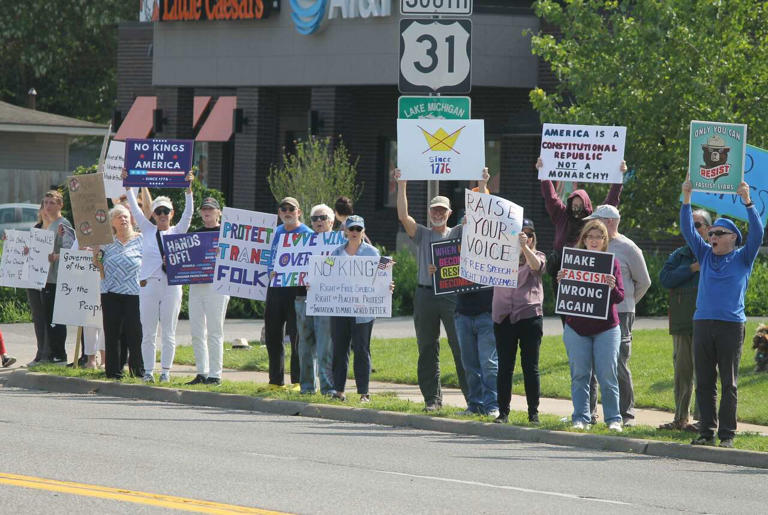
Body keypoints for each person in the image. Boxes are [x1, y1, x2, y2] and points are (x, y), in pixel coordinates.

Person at [537, 156, 627, 423]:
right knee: (580, 366)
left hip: (603, 320)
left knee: (606, 370)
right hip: (571, 299)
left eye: (580, 205)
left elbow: (611, 203)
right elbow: (551, 198)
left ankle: (610, 417)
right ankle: (583, 415)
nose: (576, 208)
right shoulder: (562, 218)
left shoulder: (600, 235)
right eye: (572, 204)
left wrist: (618, 179)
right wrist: (544, 174)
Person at [681, 174, 762, 448]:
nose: (712, 236)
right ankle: (706, 431)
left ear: (733, 238)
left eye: (718, 233)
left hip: (730, 324)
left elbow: (759, 233)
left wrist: (747, 201)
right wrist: (687, 197)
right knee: (704, 381)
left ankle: (727, 435)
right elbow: (688, 230)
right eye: (711, 233)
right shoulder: (704, 254)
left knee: (729, 383)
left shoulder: (742, 256)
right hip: (702, 322)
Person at [395, 168, 468, 411]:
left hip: (451, 296)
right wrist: (402, 184)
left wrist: (482, 181)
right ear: (429, 213)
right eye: (434, 210)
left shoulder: (458, 233)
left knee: (460, 347)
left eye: (442, 210)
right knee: (427, 347)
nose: (438, 213)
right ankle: (432, 400)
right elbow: (404, 216)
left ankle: (473, 400)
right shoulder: (423, 234)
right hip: (425, 294)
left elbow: (481, 214)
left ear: (449, 213)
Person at [584, 205, 651, 426]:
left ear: (610, 222)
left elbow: (644, 282)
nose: (592, 225)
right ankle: (590, 413)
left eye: (597, 220)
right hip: (591, 312)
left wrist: (627, 303)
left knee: (619, 362)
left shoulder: (629, 248)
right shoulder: (591, 245)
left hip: (621, 314)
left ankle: (626, 413)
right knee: (590, 362)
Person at [124, 171, 194, 383]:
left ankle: (165, 371)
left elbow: (188, 215)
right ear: (153, 214)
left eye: (166, 211)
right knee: (148, 331)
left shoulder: (178, 230)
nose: (162, 215)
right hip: (149, 284)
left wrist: (189, 191)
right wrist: (128, 186)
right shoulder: (146, 229)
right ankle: (148, 372)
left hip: (171, 285)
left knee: (169, 331)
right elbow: (136, 211)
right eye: (158, 212)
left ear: (172, 213)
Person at [558, 220, 625, 431]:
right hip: (576, 327)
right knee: (579, 374)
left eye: (599, 237)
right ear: (584, 239)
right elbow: (566, 296)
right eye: (590, 236)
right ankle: (580, 417)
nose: (594, 241)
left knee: (607, 375)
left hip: (606, 328)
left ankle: (614, 419)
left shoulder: (611, 264)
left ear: (605, 241)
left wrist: (612, 286)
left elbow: (620, 296)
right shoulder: (572, 260)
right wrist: (561, 281)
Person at [658, 209, 711, 431]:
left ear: (709, 229)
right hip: (681, 323)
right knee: (682, 373)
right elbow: (665, 279)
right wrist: (691, 268)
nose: (693, 229)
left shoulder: (714, 253)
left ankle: (703, 420)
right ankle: (680, 418)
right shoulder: (679, 255)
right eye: (690, 225)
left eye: (698, 225)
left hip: (707, 322)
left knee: (704, 373)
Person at [492, 218, 546, 424]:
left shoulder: (537, 255)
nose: (526, 237)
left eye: (529, 234)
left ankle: (533, 413)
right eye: (521, 233)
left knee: (530, 366)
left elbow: (537, 266)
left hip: (529, 316)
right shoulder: (500, 257)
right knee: (505, 366)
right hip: (503, 317)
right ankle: (503, 412)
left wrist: (524, 247)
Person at [328, 215, 380, 402]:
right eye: (351, 229)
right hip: (340, 308)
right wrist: (315, 286)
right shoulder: (335, 254)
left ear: (363, 232)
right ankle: (339, 390)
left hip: (363, 310)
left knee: (361, 349)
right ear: (345, 232)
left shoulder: (373, 253)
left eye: (358, 229)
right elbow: (325, 275)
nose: (355, 233)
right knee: (339, 349)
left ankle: (364, 393)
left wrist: (387, 286)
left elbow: (382, 276)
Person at [265, 197, 313, 388]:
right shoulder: (275, 232)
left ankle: (297, 380)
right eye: (283, 209)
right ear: (279, 213)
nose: (287, 212)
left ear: (298, 212)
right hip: (276, 287)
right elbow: (266, 255)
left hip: (297, 289)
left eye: (291, 209)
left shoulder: (308, 234)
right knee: (273, 335)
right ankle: (275, 381)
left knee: (296, 336)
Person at [94, 204, 144, 379]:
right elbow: (98, 264)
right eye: (118, 217)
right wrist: (96, 254)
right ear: (112, 222)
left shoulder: (141, 240)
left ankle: (137, 371)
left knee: (134, 332)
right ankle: (114, 370)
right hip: (110, 292)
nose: (123, 219)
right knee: (112, 332)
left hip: (134, 292)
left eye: (125, 216)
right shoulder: (106, 243)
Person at [186, 197, 229, 386]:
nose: (207, 212)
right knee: (196, 331)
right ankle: (201, 372)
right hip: (196, 285)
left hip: (217, 286)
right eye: (204, 209)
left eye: (211, 209)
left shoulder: (225, 234)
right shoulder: (195, 234)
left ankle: (215, 374)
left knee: (214, 331)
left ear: (219, 212)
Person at [295, 203, 336, 395]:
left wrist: (385, 270)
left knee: (324, 346)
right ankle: (307, 387)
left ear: (332, 221)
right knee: (305, 344)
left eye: (323, 218)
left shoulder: (340, 243)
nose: (319, 222)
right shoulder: (302, 242)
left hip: (327, 300)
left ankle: (327, 388)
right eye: (315, 219)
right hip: (303, 298)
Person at [38, 190, 76, 364]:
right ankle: (53, 352)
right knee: (49, 317)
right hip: (47, 277)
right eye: (45, 202)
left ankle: (60, 354)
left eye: (52, 203)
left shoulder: (63, 224)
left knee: (56, 318)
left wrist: (56, 256)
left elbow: (71, 250)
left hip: (57, 278)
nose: (48, 206)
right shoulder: (50, 225)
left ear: (60, 205)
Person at [26, 201, 49, 366]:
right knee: (38, 317)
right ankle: (40, 352)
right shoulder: (36, 228)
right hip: (34, 278)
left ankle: (48, 353)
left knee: (48, 318)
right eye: (43, 207)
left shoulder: (59, 227)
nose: (45, 210)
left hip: (50, 280)